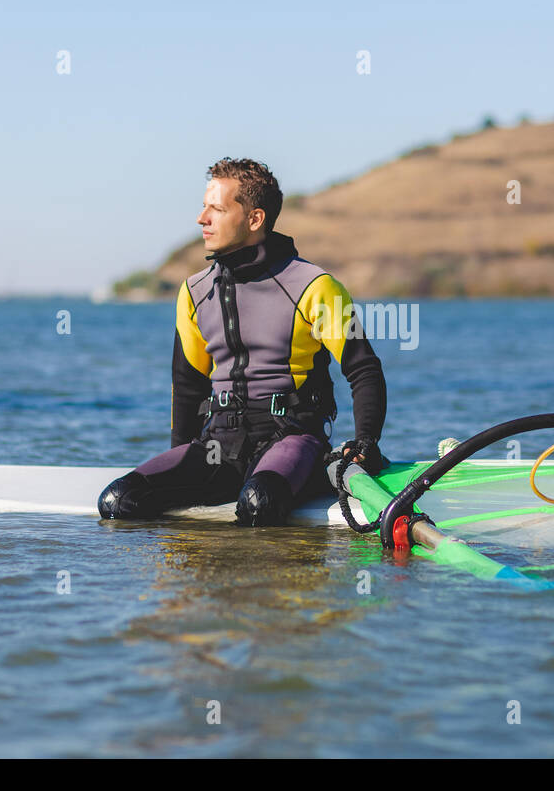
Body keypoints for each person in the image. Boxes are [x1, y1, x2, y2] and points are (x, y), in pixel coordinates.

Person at [98, 157, 387, 525]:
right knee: (118, 501)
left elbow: (363, 369)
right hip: (219, 445)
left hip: (292, 437)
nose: (202, 219)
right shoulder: (195, 291)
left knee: (259, 503)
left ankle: (307, 480)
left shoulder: (316, 287)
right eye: (204, 207)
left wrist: (365, 444)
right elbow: (187, 385)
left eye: (216, 209)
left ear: (254, 219)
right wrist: (183, 459)